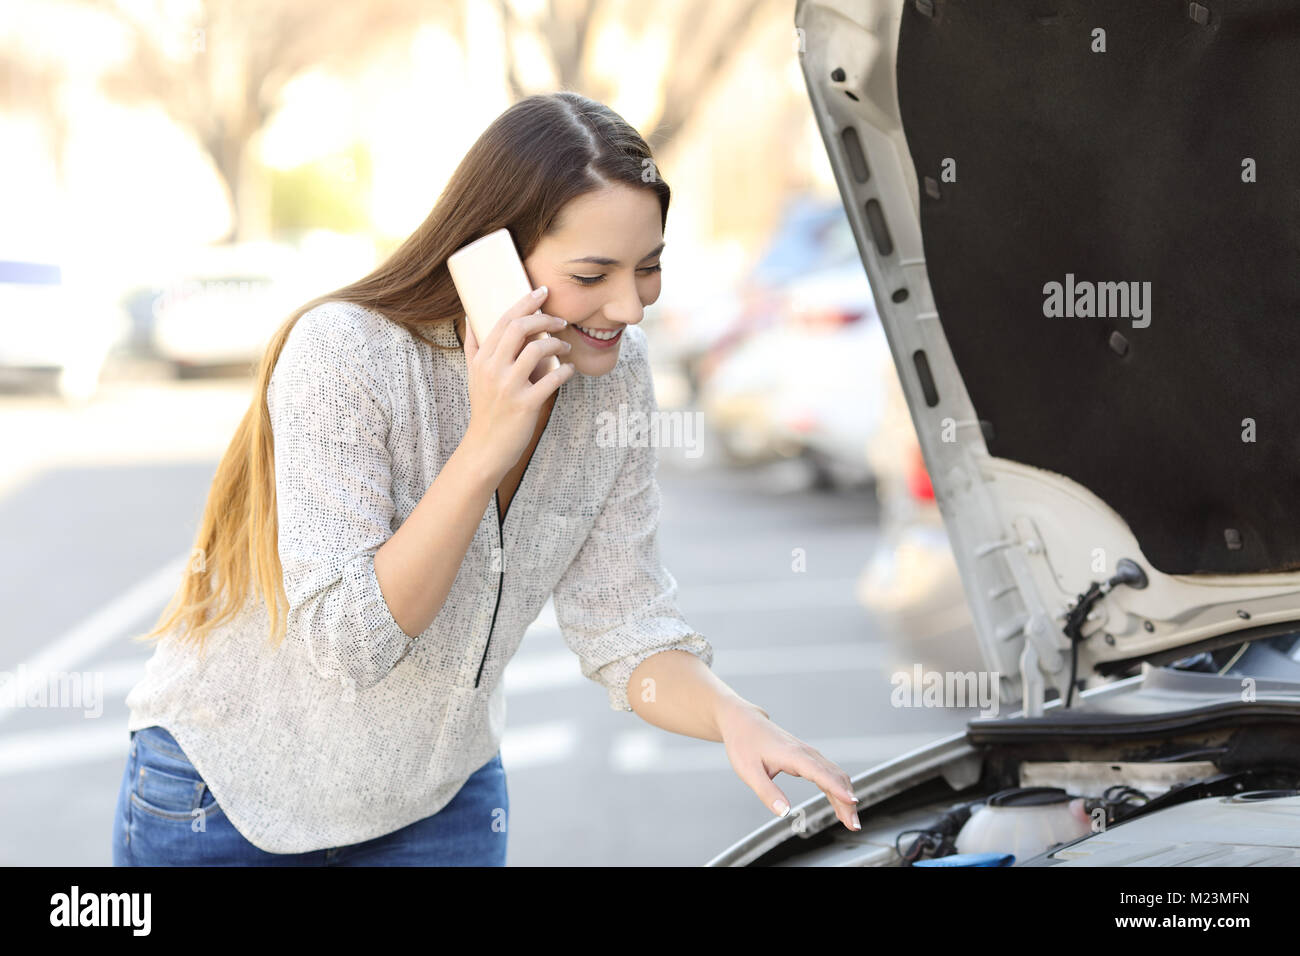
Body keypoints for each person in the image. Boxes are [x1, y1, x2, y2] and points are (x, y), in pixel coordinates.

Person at [111, 91, 860, 866]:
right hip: (232, 801)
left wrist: (736, 718)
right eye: (593, 273)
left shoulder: (615, 379)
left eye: (649, 267)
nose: (628, 308)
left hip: (439, 799)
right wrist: (483, 449)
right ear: (489, 259)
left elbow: (624, 622)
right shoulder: (346, 354)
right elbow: (350, 646)